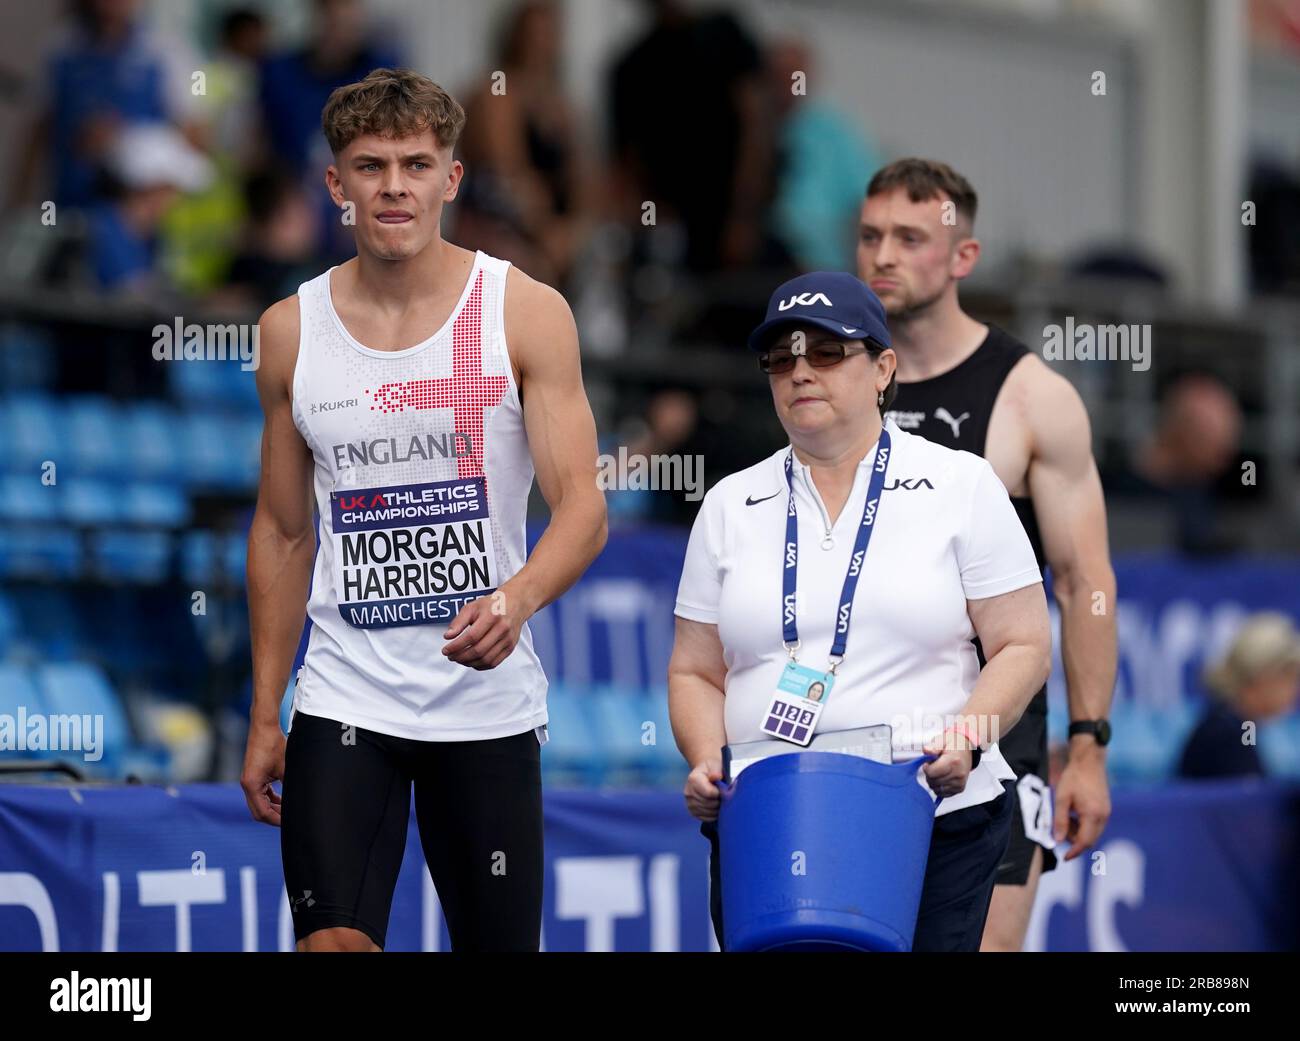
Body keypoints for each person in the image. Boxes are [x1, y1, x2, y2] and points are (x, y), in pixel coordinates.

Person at [239, 68, 607, 952]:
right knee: (330, 943)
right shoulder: (291, 329)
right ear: (336, 184)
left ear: (453, 176)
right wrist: (264, 712)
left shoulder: (524, 311)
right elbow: (284, 529)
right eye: (370, 166)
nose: (394, 186)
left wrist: (514, 601)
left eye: (416, 163)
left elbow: (584, 506)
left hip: (483, 706)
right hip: (345, 694)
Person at [669, 271, 1051, 952]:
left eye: (825, 352)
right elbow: (695, 670)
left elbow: (1024, 643)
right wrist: (705, 761)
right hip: (770, 813)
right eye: (780, 358)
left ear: (882, 368)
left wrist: (966, 735)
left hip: (928, 809)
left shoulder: (960, 483)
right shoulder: (730, 502)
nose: (799, 372)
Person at [856, 158, 1117, 952]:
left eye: (909, 237)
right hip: (867, 712)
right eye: (869, 236)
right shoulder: (835, 380)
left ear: (963, 258)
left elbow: (1083, 584)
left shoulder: (1034, 398)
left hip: (998, 723)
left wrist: (1089, 747)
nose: (883, 257)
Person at [1179, 613, 1300, 780]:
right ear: (1262, 677)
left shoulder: (1244, 725)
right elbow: (1247, 791)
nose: (1295, 691)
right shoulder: (1228, 732)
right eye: (1290, 679)